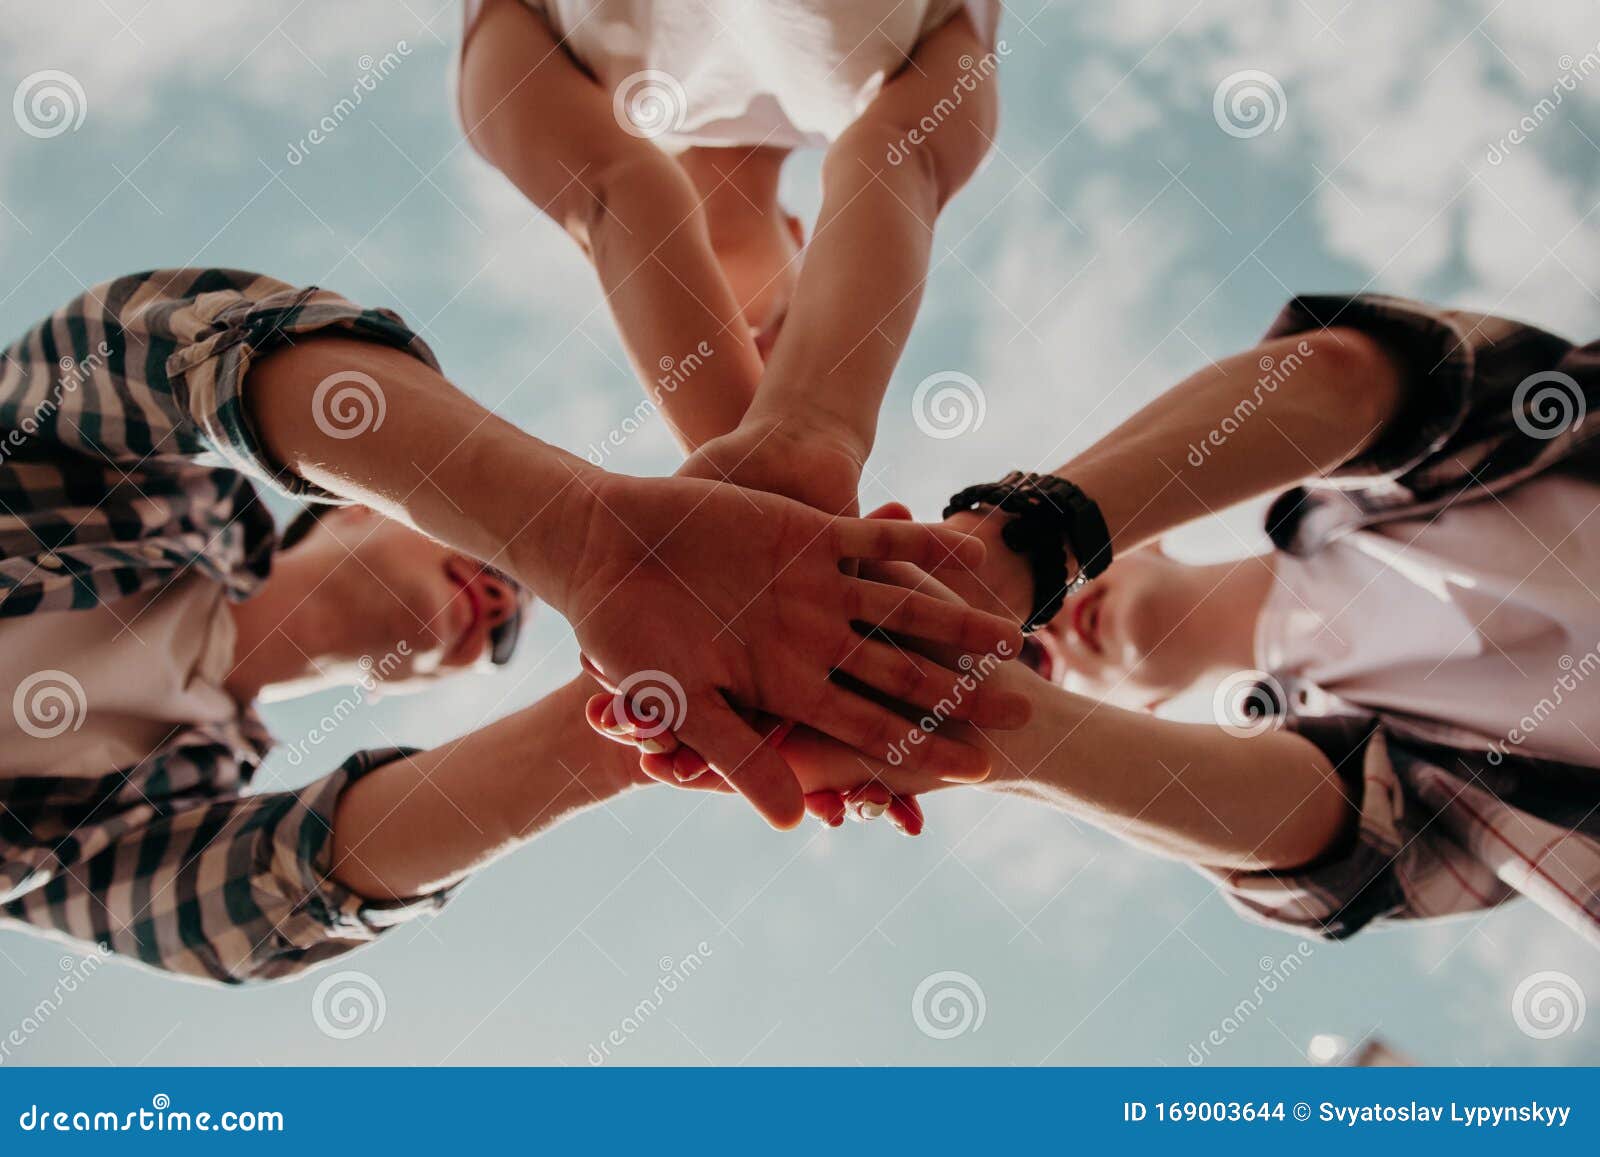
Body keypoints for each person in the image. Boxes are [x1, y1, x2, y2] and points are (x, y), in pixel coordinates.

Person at [0, 267, 1026, 982]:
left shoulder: (150, 811)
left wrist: (670, 721)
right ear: (361, 504)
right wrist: (564, 529)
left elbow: (268, 901)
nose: (503, 602)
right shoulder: (121, 490)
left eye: (505, 633)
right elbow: (158, 351)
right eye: (498, 565)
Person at [607, 294, 1600, 947]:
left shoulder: (1360, 495)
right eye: (1039, 662)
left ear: (1153, 539)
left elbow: (1359, 377)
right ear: (1144, 704)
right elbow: (1325, 835)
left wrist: (1018, 548)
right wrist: (982, 728)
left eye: (1037, 619)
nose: (1050, 635)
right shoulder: (1365, 758)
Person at [459, 0, 1003, 517]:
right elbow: (898, 162)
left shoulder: (539, 91)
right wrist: (811, 429)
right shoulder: (912, 92)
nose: (756, 364)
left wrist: (763, 481)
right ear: (804, 240)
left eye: (723, 344)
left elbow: (620, 192)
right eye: (777, 359)